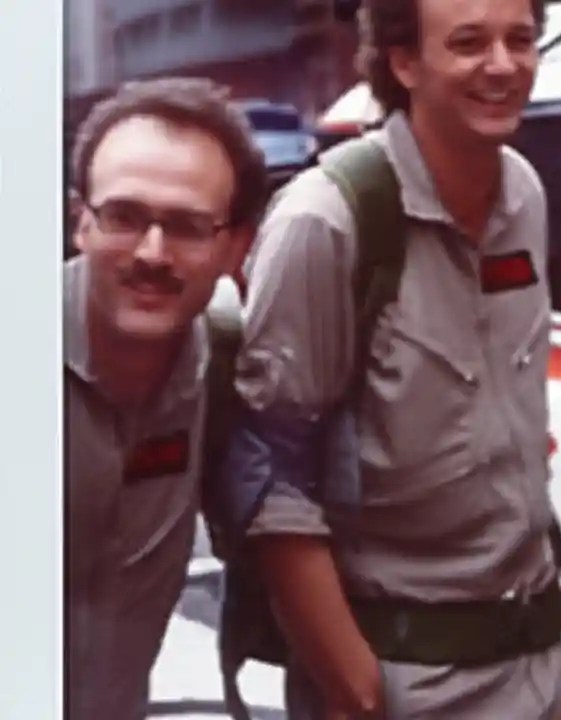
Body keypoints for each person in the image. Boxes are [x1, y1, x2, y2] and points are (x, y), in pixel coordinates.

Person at [217, 0, 561, 717]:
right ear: (404, 61)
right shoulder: (325, 222)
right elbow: (270, 477)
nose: (504, 66)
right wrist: (357, 688)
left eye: (521, 40)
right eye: (470, 43)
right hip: (406, 678)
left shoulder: (525, 193)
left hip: (544, 664)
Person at [64, 76, 267, 719]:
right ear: (81, 223)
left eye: (185, 226)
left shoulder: (223, 356)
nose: (152, 254)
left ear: (235, 246)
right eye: (124, 216)